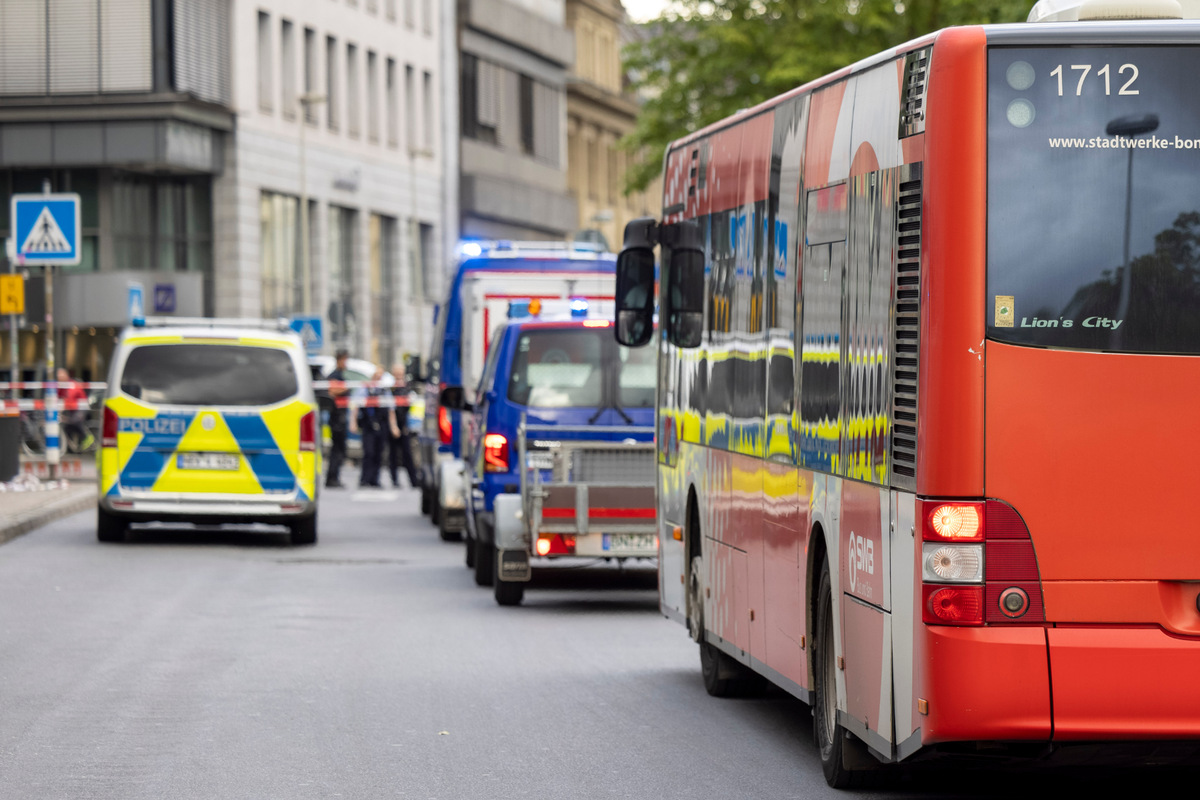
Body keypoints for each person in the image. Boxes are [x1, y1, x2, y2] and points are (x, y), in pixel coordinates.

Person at [387, 363, 421, 489]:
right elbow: (390, 409)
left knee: (407, 454)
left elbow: (412, 406)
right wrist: (393, 426)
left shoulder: (407, 386)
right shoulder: (390, 387)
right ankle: (394, 480)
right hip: (394, 423)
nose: (398, 375)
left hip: (405, 423)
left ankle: (413, 480)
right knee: (393, 454)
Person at [355, 366, 389, 488]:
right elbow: (356, 404)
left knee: (378, 453)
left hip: (382, 424)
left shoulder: (384, 390)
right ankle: (365, 479)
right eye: (376, 375)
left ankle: (375, 479)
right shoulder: (365, 387)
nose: (378, 378)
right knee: (368, 452)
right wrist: (353, 423)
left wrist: (393, 426)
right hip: (368, 425)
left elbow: (391, 408)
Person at [324, 349, 351, 488]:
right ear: (340, 360)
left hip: (340, 417)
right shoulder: (335, 375)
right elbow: (331, 391)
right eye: (345, 359)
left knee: (340, 450)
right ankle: (332, 478)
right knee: (337, 450)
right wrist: (345, 389)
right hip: (336, 419)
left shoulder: (340, 374)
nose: (346, 362)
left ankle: (334, 477)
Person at [56, 368, 93, 451]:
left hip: (81, 408)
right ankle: (70, 447)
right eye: (58, 377)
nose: (59, 378)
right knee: (67, 427)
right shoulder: (62, 386)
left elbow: (69, 399)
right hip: (73, 409)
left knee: (75, 421)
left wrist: (61, 409)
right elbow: (57, 397)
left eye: (61, 376)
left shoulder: (71, 385)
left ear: (66, 376)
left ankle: (87, 438)